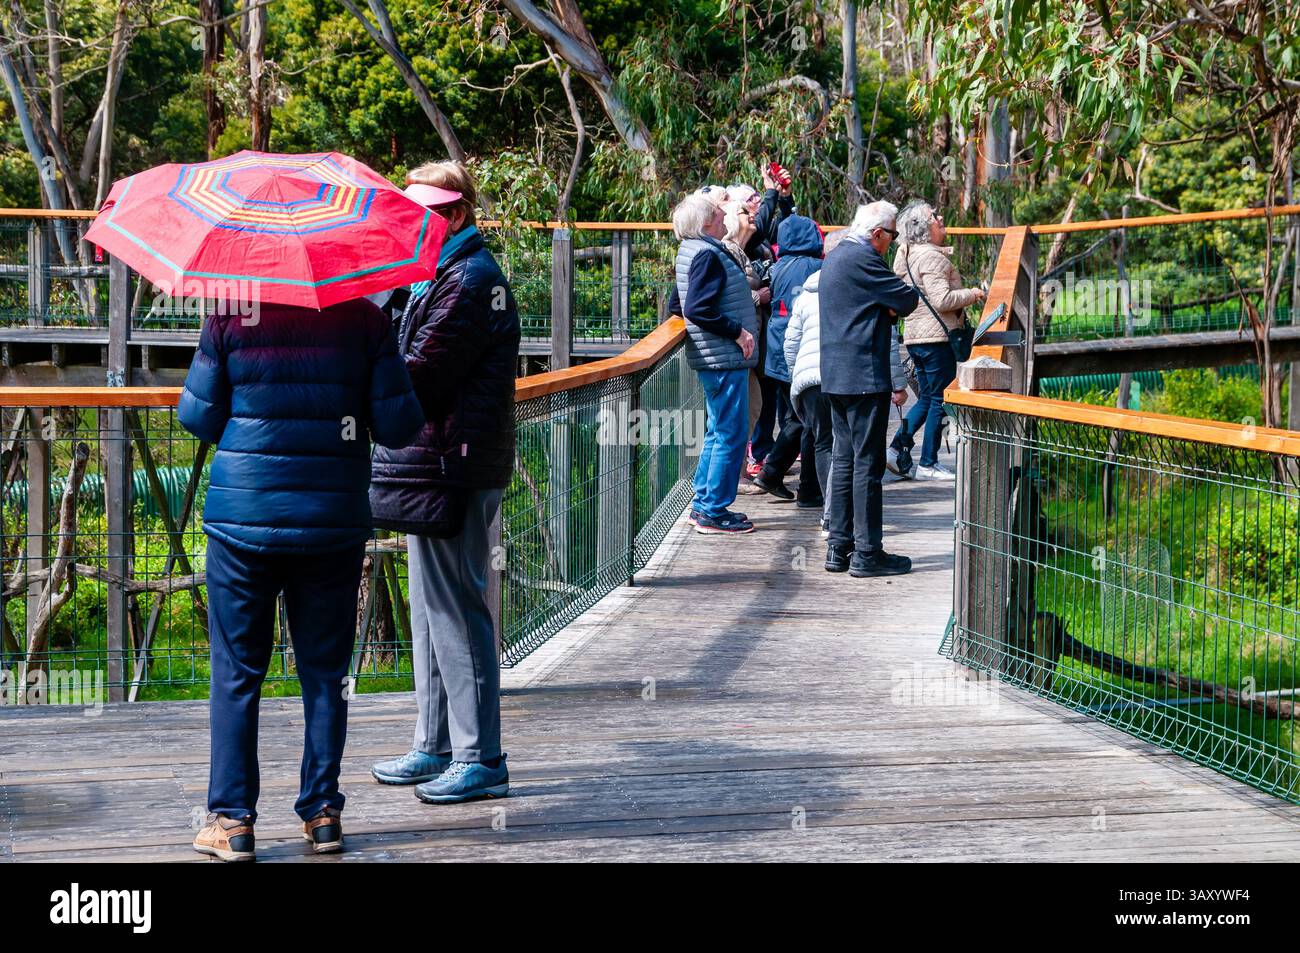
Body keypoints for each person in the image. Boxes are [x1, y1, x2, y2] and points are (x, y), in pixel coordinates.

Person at [181, 293, 424, 862]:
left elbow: (198, 417)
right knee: (325, 673)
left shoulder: (231, 313)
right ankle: (322, 815)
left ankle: (234, 822)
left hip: (244, 523)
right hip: (331, 524)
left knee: (238, 673)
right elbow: (397, 425)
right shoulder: (364, 320)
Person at [368, 161, 521, 804]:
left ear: (454, 215)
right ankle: (435, 745)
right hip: (434, 463)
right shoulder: (438, 275)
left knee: (457, 609)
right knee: (434, 614)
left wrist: (366, 350)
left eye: (421, 214)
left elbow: (419, 373)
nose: (410, 225)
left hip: (452, 465)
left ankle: (480, 756)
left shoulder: (470, 280)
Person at [818, 201, 918, 577]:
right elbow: (907, 300)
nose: (890, 244)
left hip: (837, 376)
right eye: (891, 237)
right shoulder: (864, 260)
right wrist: (887, 307)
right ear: (877, 234)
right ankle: (867, 552)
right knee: (868, 466)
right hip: (863, 376)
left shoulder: (837, 255)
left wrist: (884, 306)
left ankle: (838, 548)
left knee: (845, 462)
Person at [671, 192, 759, 534]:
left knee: (718, 430)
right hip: (722, 358)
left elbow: (676, 306)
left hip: (714, 356)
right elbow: (697, 309)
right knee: (730, 432)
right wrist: (737, 332)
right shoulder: (706, 254)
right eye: (716, 213)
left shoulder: (691, 251)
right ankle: (712, 511)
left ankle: (705, 503)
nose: (723, 216)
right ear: (706, 222)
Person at [888, 201, 986, 481]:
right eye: (934, 216)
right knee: (940, 399)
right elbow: (943, 300)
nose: (940, 217)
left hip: (917, 337)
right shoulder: (931, 257)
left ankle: (896, 448)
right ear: (922, 228)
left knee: (928, 397)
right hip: (936, 337)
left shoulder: (906, 254)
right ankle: (928, 463)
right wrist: (974, 293)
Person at [752, 214, 824, 504]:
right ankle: (803, 486)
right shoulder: (818, 268)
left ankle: (776, 474)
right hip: (803, 350)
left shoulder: (777, 267)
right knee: (806, 421)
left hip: (777, 351)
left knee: (796, 418)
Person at [719, 199, 772, 465]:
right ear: (730, 218)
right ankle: (734, 474)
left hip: (749, 344)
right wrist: (756, 298)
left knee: (752, 407)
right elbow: (722, 294)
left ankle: (736, 472)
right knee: (739, 413)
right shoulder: (726, 251)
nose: (752, 215)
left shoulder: (745, 250)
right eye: (745, 211)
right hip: (734, 345)